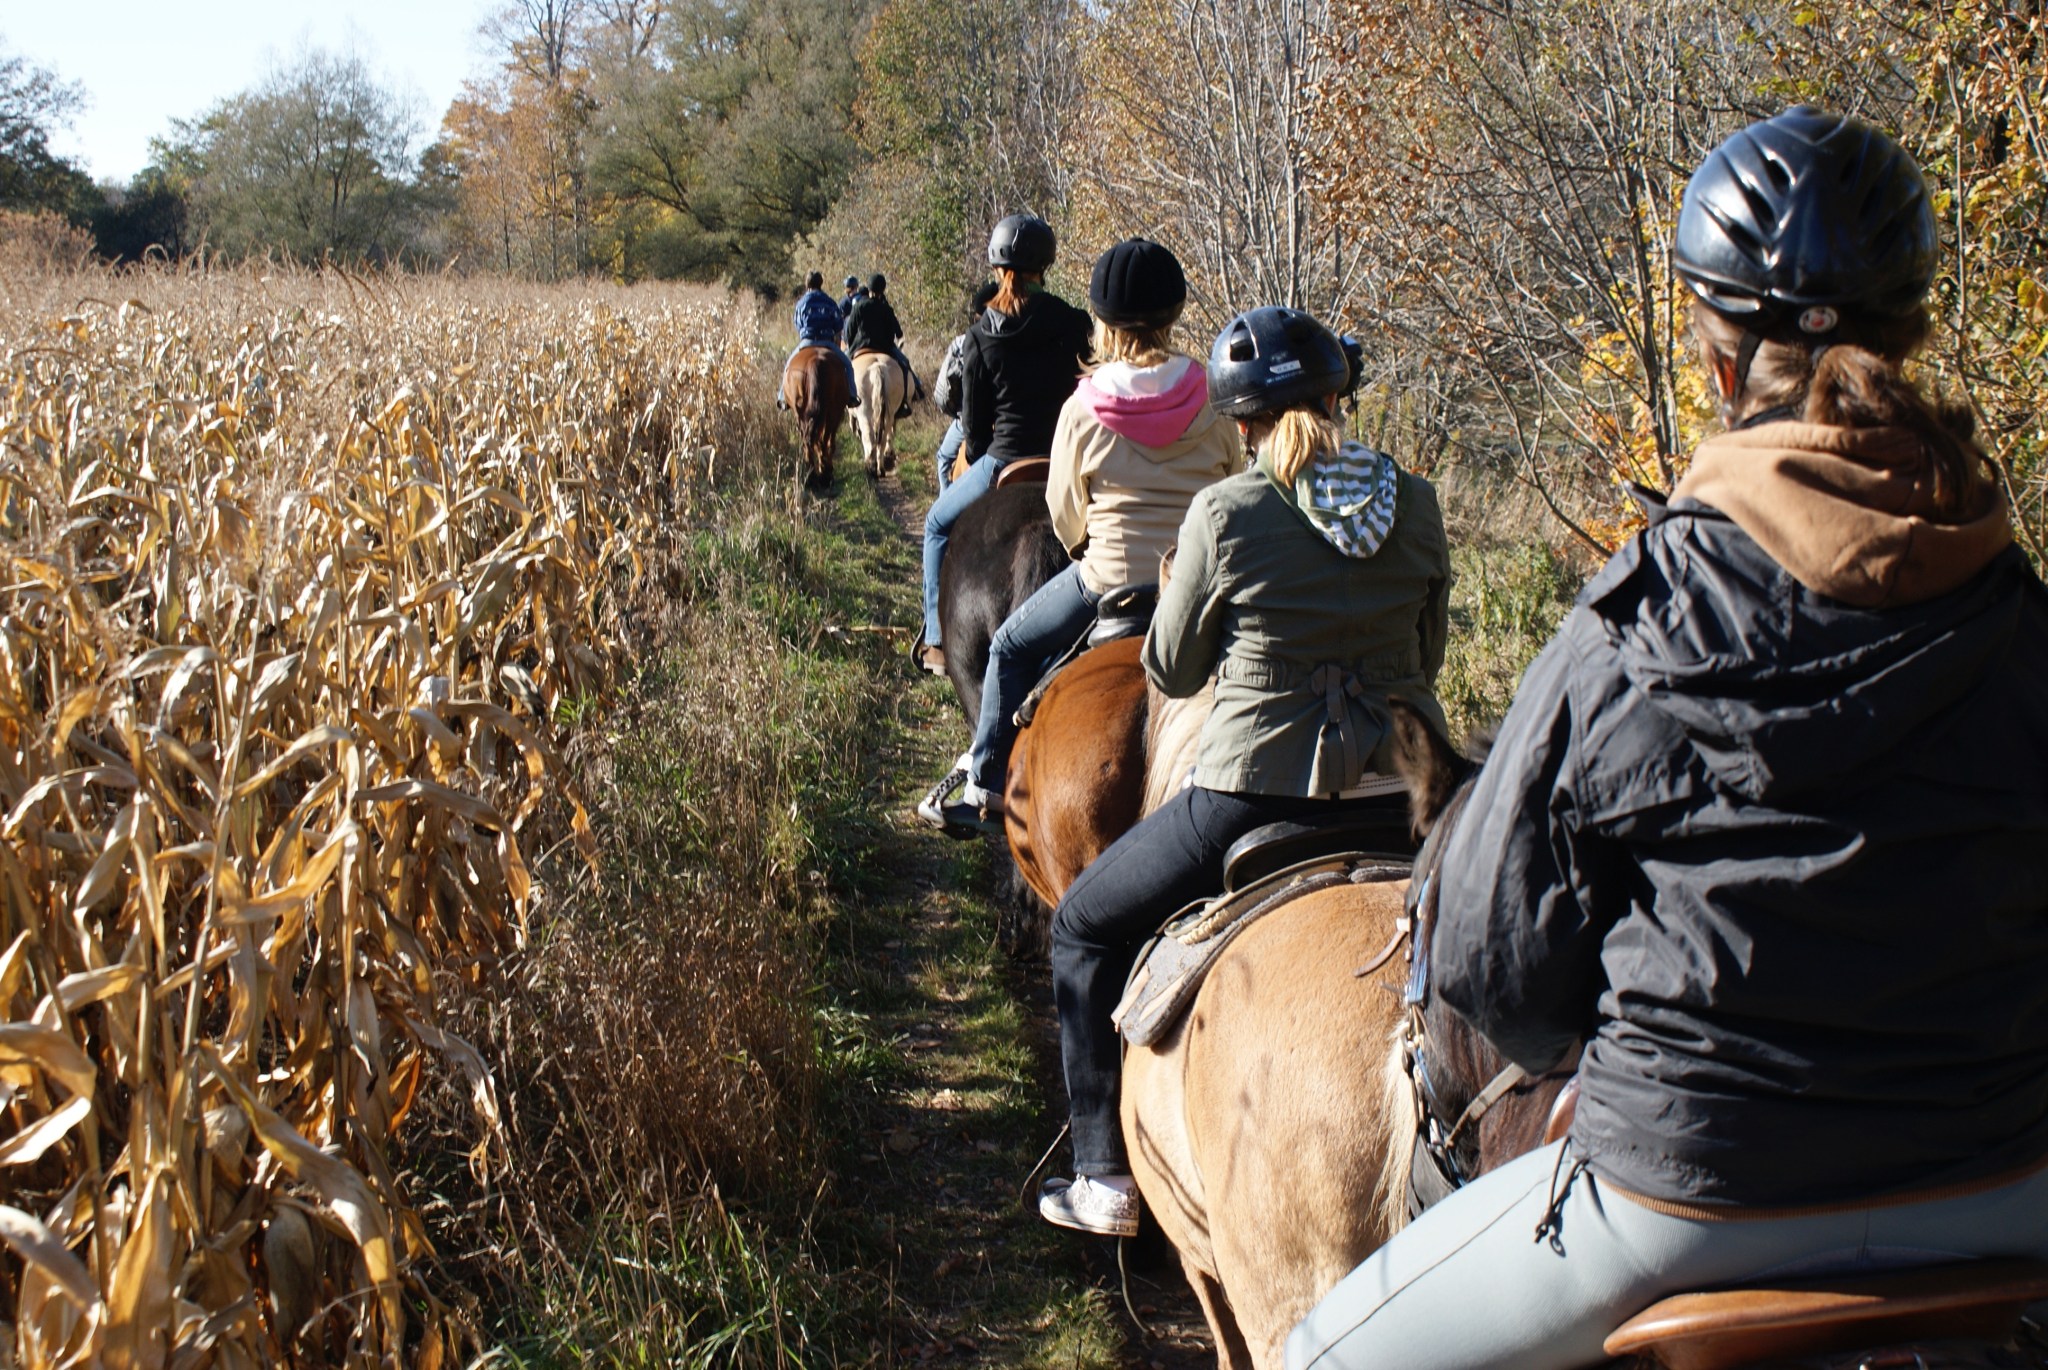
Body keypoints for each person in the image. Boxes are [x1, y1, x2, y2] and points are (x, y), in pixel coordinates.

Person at [1287, 107, 2048, 1370]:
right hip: (2002, 1182)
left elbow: (1486, 953)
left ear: (1710, 356)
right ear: (1911, 336)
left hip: (1688, 1196)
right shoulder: (2017, 615)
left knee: (1319, 1354)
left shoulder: (1644, 615)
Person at [1037, 305, 1451, 1235]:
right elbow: (1427, 656)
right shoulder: (1416, 502)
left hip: (1252, 792)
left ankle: (1103, 1174)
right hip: (1404, 797)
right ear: (1337, 398)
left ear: (1241, 422)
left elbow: (1173, 670)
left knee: (1084, 927)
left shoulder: (1226, 511)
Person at [916, 238, 1241, 830]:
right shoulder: (1212, 396)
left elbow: (1066, 517)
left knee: (1011, 648)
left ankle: (985, 787)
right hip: (1193, 587)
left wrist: (1086, 551)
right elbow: (1232, 488)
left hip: (1107, 584)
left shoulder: (1085, 405)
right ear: (1173, 314)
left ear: (1104, 321)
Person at [916, 213, 1092, 676]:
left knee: (935, 525)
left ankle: (935, 638)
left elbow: (973, 431)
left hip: (1003, 461)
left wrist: (982, 450)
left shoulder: (980, 336)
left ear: (997, 267)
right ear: (1044, 267)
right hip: (1064, 461)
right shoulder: (1074, 323)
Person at [931, 281, 1000, 492]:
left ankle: (944, 502)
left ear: (977, 315)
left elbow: (944, 390)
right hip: (1013, 422)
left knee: (943, 459)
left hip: (972, 419)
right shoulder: (1023, 338)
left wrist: (956, 411)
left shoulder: (964, 341)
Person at [844, 272, 926, 419]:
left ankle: (844, 396)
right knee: (905, 364)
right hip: (885, 348)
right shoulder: (886, 308)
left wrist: (851, 347)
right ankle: (912, 395)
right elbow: (898, 333)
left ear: (868, 289)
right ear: (883, 289)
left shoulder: (859, 307)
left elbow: (849, 333)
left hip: (861, 346)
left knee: (842, 365)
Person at [778, 270, 853, 406]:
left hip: (807, 341)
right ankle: (852, 395)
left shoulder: (801, 303)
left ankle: (782, 397)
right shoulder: (830, 302)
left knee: (788, 365)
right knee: (848, 365)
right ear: (821, 284)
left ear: (807, 284)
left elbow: (798, 324)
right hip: (827, 342)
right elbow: (838, 325)